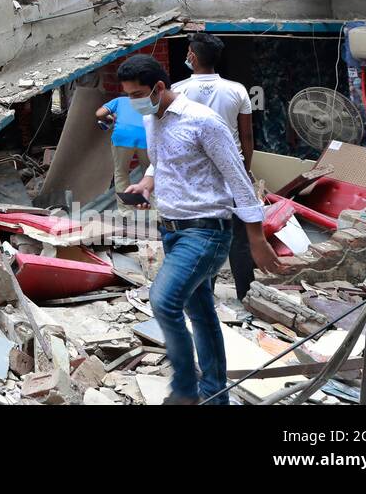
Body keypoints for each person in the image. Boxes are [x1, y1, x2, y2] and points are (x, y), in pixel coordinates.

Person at [118, 55, 284, 405]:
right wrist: (147, 183)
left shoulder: (203, 122)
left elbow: (239, 179)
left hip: (207, 231)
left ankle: (185, 391)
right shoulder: (152, 118)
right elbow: (159, 161)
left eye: (138, 94)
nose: (134, 101)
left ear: (160, 87)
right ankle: (215, 395)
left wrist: (255, 238)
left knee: (163, 301)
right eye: (128, 94)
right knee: (201, 313)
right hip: (172, 230)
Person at [172, 32, 258, 300]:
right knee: (239, 239)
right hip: (231, 171)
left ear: (193, 57)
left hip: (195, 176)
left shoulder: (178, 91)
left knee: (201, 236)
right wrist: (244, 170)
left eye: (188, 52)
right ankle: (246, 294)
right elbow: (247, 137)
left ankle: (203, 295)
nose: (186, 56)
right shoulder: (237, 90)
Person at [95, 94, 150, 208]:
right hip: (145, 136)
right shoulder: (149, 101)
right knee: (150, 174)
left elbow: (99, 113)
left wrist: (110, 118)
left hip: (122, 137)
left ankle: (126, 213)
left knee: (121, 173)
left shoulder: (119, 100)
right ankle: (155, 214)